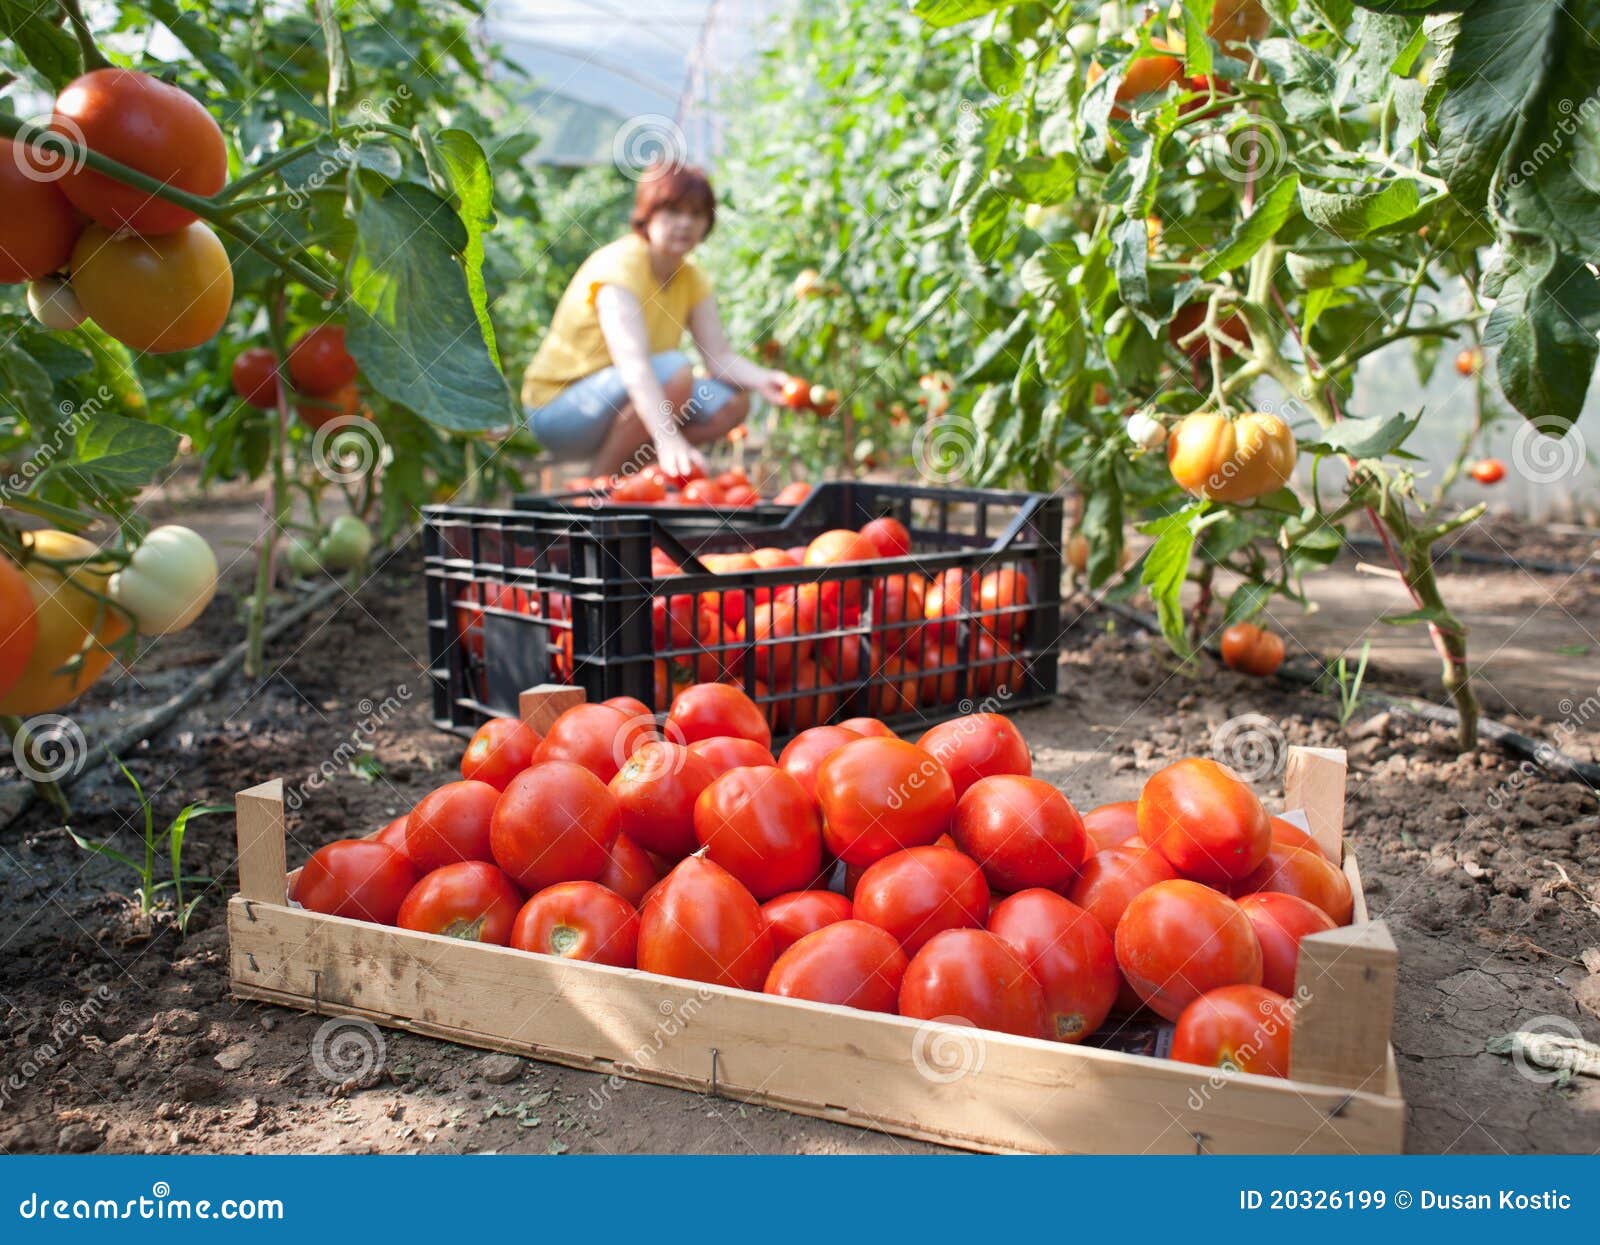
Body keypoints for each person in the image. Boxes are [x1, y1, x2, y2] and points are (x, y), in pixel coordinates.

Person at [521, 162, 788, 481]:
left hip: (626, 403)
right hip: (559, 412)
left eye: (696, 214)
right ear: (647, 214)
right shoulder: (620, 266)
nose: (685, 224)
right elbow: (633, 367)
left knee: (732, 403)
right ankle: (596, 487)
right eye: (673, 212)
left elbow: (720, 358)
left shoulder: (692, 278)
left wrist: (764, 379)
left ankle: (635, 480)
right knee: (675, 371)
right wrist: (667, 438)